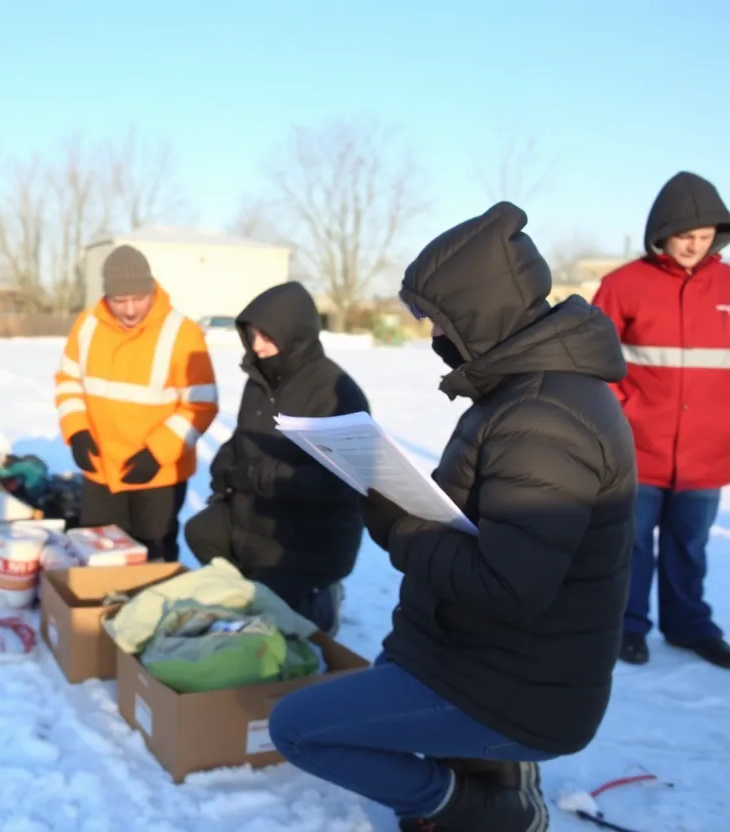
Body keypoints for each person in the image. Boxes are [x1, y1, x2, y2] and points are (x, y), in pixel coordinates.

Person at [268, 202, 637, 831]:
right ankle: (487, 768)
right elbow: (478, 523)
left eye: (439, 319)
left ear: (478, 313)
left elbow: (508, 583)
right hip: (480, 657)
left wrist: (405, 522)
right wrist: (394, 500)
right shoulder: (525, 391)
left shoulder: (545, 418)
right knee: (378, 680)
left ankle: (470, 804)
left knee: (297, 729)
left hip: (519, 692)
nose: (432, 334)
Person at [591, 171, 730, 669]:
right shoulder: (622, 286)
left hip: (707, 453)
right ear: (661, 231)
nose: (695, 245)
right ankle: (627, 626)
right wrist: (616, 422)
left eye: (705, 237)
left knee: (689, 547)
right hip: (637, 448)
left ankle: (690, 625)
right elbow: (593, 365)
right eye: (685, 236)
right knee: (629, 547)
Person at [184, 281, 369, 636]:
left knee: (269, 615)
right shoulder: (260, 380)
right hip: (256, 515)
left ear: (295, 335)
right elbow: (245, 436)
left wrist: (254, 475)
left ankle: (320, 603)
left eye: (267, 337)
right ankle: (255, 593)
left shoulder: (335, 392)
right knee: (200, 532)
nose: (257, 346)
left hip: (307, 534)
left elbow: (339, 482)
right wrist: (224, 464)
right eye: (252, 335)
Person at [54, 244, 218, 561]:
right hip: (101, 466)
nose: (130, 310)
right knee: (99, 554)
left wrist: (158, 453)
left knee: (152, 554)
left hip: (158, 473)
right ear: (107, 297)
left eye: (138, 299)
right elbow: (68, 382)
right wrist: (77, 433)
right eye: (120, 301)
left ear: (151, 290)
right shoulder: (87, 325)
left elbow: (201, 405)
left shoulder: (181, 333)